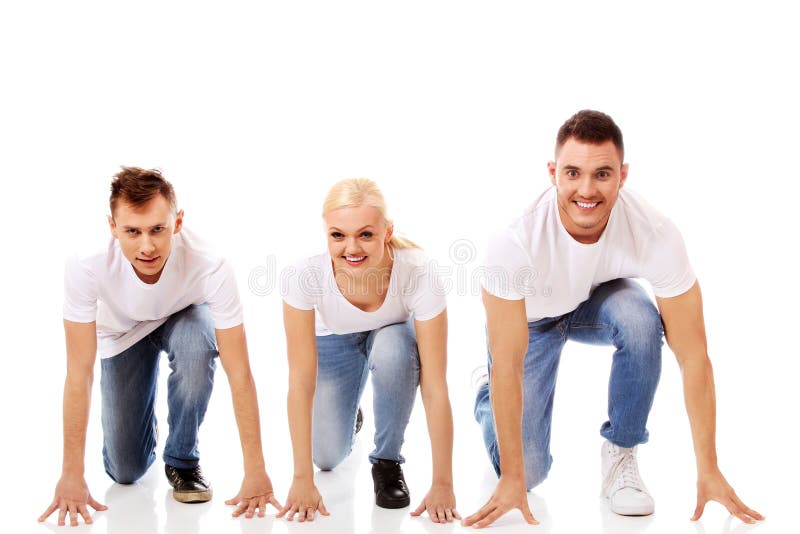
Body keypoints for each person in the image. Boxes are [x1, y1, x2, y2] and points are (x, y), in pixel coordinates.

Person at [463, 111, 763, 528]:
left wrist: (708, 468)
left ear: (622, 175)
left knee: (641, 321)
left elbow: (694, 356)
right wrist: (512, 478)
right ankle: (485, 399)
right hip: (530, 319)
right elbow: (510, 364)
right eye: (573, 173)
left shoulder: (655, 232)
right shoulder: (514, 241)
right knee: (528, 474)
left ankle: (621, 453)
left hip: (593, 300)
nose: (587, 190)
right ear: (553, 173)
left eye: (602, 174)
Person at [38, 167, 281, 527]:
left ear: (177, 222)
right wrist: (71, 474)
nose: (147, 246)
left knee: (197, 347)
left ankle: (182, 460)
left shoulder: (211, 265)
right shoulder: (85, 264)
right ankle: (141, 424)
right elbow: (79, 373)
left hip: (182, 317)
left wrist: (256, 470)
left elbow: (239, 370)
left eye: (157, 229)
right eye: (132, 232)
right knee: (125, 471)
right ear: (112, 227)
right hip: (122, 334)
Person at [279, 178, 459, 523]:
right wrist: (301, 478)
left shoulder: (419, 272)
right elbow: (300, 382)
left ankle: (387, 461)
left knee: (393, 350)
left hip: (390, 339)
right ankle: (351, 417)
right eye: (338, 235)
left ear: (387, 231)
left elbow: (435, 386)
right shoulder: (303, 275)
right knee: (327, 458)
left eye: (365, 234)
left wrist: (443, 482)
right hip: (333, 342)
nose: (352, 248)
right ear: (326, 233)